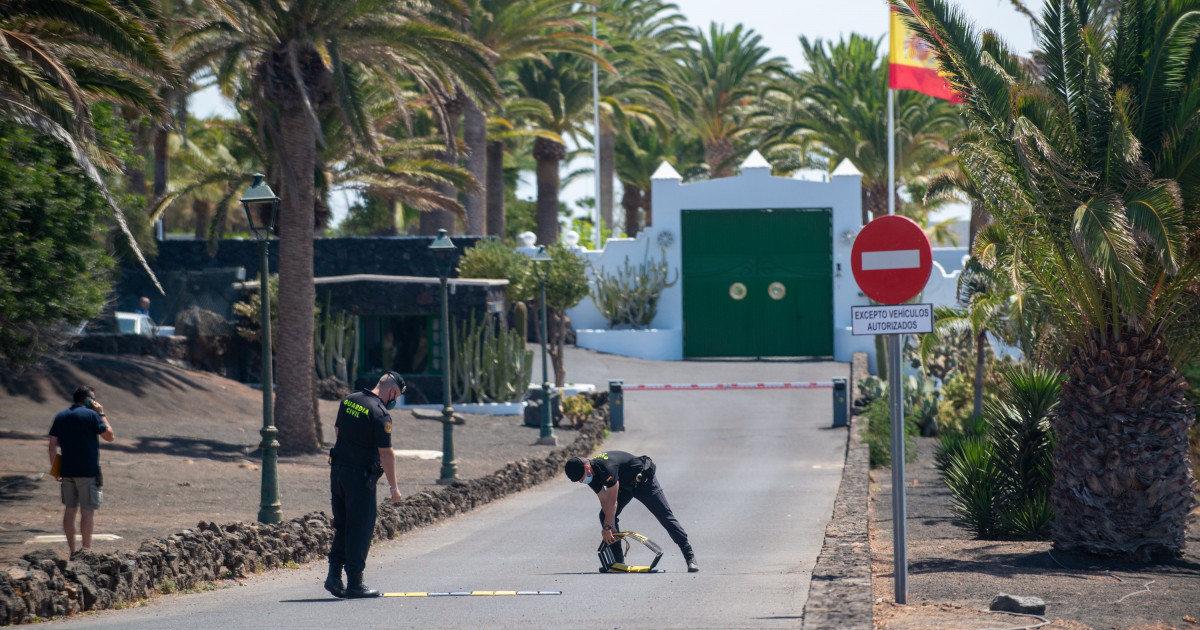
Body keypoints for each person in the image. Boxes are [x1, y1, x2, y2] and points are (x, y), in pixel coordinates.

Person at [325, 372, 405, 599]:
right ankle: (355, 584)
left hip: (338, 471)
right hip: (360, 478)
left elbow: (338, 430)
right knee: (360, 528)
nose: (394, 401)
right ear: (392, 392)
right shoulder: (381, 414)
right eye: (396, 396)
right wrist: (393, 487)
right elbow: (386, 453)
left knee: (342, 525)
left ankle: (333, 576)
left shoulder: (349, 400)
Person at [565, 451, 698, 572]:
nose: (582, 481)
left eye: (581, 478)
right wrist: (609, 525)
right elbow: (604, 501)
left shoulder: (607, 467)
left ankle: (689, 555)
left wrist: (607, 526)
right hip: (625, 485)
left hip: (644, 481)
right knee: (604, 515)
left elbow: (612, 502)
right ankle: (618, 562)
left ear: (587, 468)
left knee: (664, 516)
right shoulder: (590, 475)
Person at [48, 386, 115, 555]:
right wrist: (101, 413)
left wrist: (56, 470)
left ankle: (72, 551)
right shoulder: (92, 415)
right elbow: (109, 436)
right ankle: (86, 552)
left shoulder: (61, 416)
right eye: (93, 399)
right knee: (87, 512)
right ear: (88, 400)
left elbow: (52, 447)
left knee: (70, 511)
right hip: (87, 471)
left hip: (67, 471)